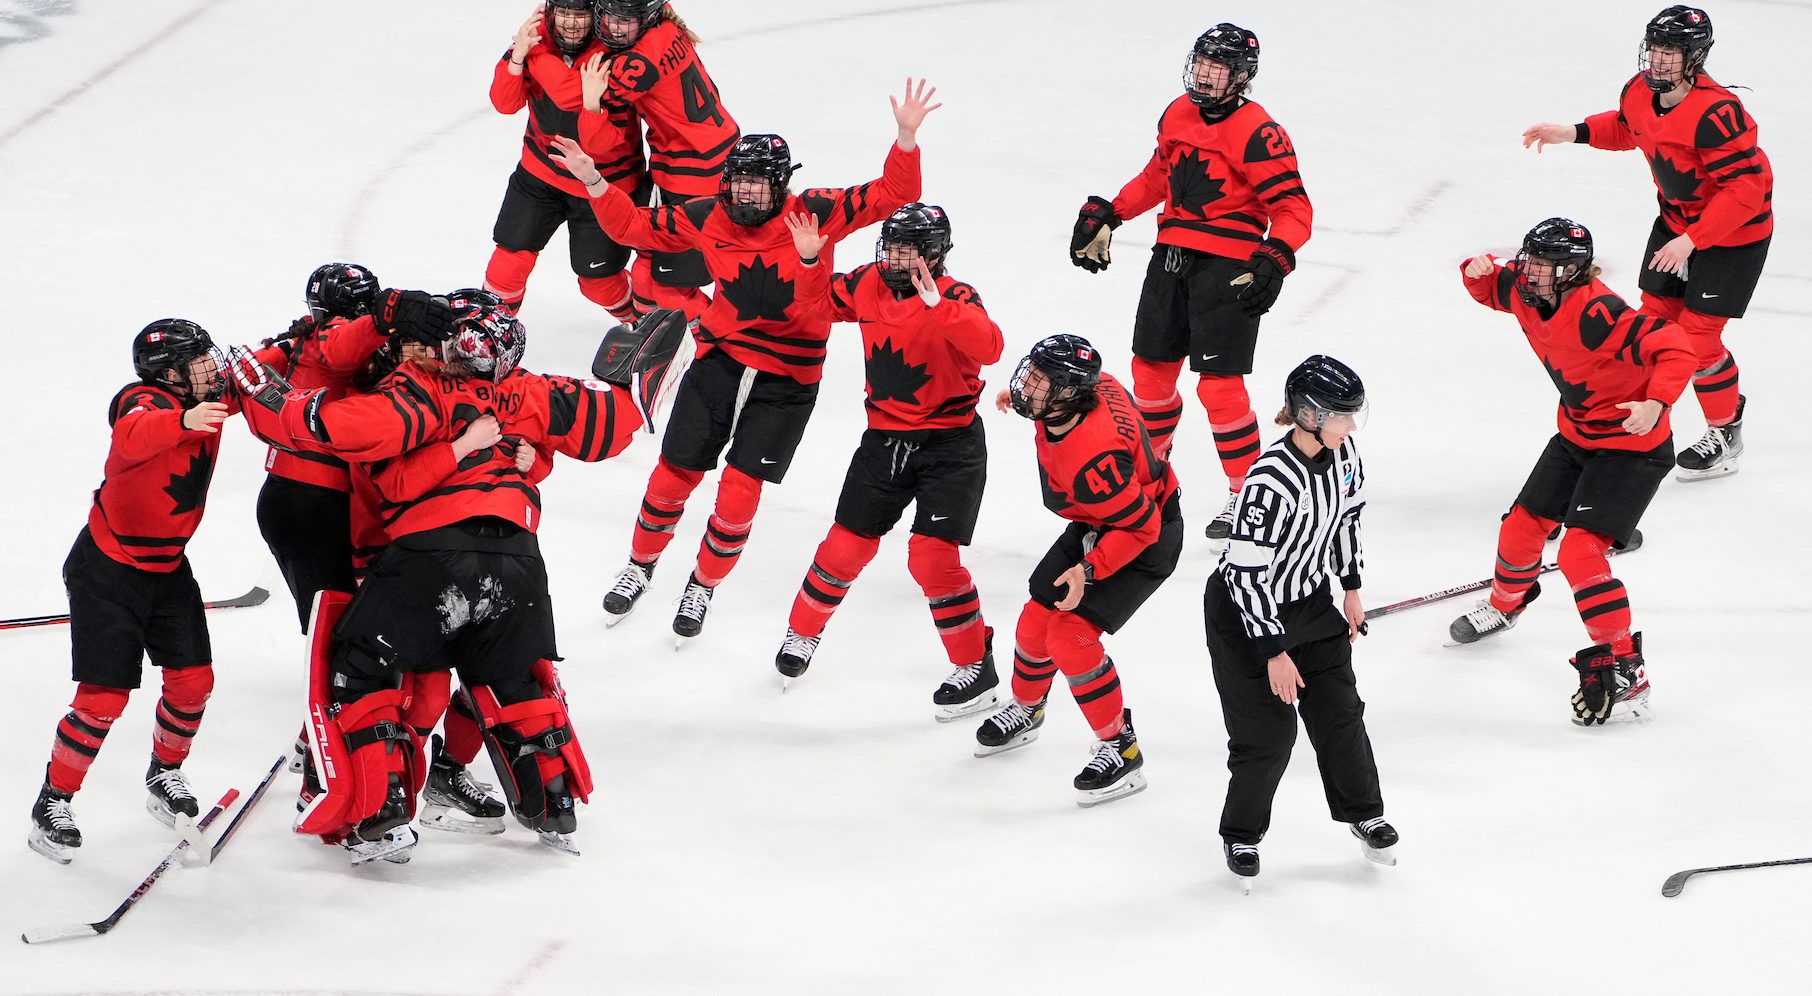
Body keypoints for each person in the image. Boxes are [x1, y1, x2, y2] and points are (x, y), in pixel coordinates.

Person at [232, 295, 683, 863]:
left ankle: (382, 808)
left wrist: (275, 398)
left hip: (431, 556)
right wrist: (598, 403)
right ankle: (553, 804)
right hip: (520, 563)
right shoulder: (528, 392)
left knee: (367, 668)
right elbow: (613, 424)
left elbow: (336, 428)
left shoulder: (418, 388)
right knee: (513, 677)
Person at [549, 79, 938, 642]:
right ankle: (640, 567)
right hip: (721, 360)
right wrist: (593, 179)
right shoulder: (708, 214)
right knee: (672, 474)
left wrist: (905, 139)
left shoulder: (819, 211)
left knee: (739, 491)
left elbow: (893, 194)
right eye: (740, 183)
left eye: (759, 186)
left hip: (790, 378)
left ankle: (702, 585)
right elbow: (632, 226)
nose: (747, 196)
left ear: (781, 185)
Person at [1069, 23, 1312, 540]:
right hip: (1171, 259)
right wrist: (1112, 212)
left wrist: (1276, 255)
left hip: (1229, 268)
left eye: (1216, 67)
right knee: (1149, 376)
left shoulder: (1259, 131)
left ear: (1240, 76)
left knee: (1220, 388)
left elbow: (1293, 207)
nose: (1203, 75)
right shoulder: (1177, 113)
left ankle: (1246, 496)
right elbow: (1160, 176)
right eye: (1200, 62)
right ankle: (1151, 485)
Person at [1453, 219, 1696, 726]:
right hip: (1576, 436)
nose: (1528, 272)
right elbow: (1489, 288)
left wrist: (1656, 402)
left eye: (1542, 265)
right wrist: (1474, 273)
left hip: (1632, 448)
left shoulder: (1599, 313)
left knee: (1579, 552)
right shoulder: (1526, 291)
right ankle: (1505, 605)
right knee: (1520, 528)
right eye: (1528, 260)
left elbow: (1676, 345)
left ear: (1571, 272)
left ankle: (1627, 666)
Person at [770, 204, 1005, 717]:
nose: (899, 258)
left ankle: (976, 667)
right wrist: (810, 262)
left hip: (952, 445)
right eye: (893, 247)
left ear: (937, 253)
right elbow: (814, 306)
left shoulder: (959, 296)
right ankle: (801, 635)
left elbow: (990, 347)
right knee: (843, 548)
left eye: (911, 249)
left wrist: (936, 303)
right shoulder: (866, 282)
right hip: (884, 440)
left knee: (932, 560)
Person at [1521, 5, 1771, 481]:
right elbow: (1628, 127)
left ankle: (1725, 430)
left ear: (1695, 56)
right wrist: (1571, 133)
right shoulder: (1639, 91)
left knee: (1696, 341)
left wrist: (1692, 240)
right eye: (1654, 48)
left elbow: (1746, 191)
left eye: (1670, 52)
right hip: (1678, 225)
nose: (1657, 60)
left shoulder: (1719, 113)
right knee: (1651, 329)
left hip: (1734, 236)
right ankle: (1637, 424)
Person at [28, 321, 234, 864]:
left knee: (194, 683)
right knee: (102, 700)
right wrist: (185, 419)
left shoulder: (208, 395)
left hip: (167, 569)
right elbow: (134, 434)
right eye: (200, 361)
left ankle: (164, 774)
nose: (211, 368)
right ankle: (52, 802)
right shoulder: (139, 400)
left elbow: (272, 367)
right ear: (169, 373)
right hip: (107, 572)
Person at [1205, 354, 1394, 888]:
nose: (1351, 426)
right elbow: (1244, 577)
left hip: (1309, 603)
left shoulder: (1344, 452)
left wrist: (1351, 588)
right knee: (1269, 734)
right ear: (1309, 414)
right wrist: (1274, 653)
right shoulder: (1270, 482)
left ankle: (1365, 812)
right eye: (1341, 415)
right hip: (1246, 617)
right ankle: (1241, 833)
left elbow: (1347, 521)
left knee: (1340, 713)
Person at [972, 335, 1181, 807]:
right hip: (1103, 517)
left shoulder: (1093, 461)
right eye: (1033, 374)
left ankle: (1120, 748)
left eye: (1041, 382)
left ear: (1069, 392)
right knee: (1033, 621)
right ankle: (1027, 710)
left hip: (1142, 534)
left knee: (1069, 637)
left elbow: (1143, 526)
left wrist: (1089, 568)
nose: (1029, 384)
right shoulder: (1094, 386)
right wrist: (1029, 404)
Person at [572, 1, 739, 320]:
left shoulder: (633, 65)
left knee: (664, 287)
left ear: (645, 18)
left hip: (691, 175)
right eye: (608, 17)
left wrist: (591, 101)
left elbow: (597, 142)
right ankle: (649, 334)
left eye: (625, 20)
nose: (614, 27)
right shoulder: (668, 28)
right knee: (652, 274)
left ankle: (724, 343)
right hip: (719, 158)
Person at [485, 0, 650, 319]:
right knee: (508, 262)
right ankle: (486, 335)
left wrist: (535, 55)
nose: (571, 23)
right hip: (539, 176)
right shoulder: (535, 37)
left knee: (599, 284)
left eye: (580, 14)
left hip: (603, 188)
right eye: (564, 13)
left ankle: (644, 326)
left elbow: (578, 109)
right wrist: (518, 55)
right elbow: (505, 103)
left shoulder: (617, 50)